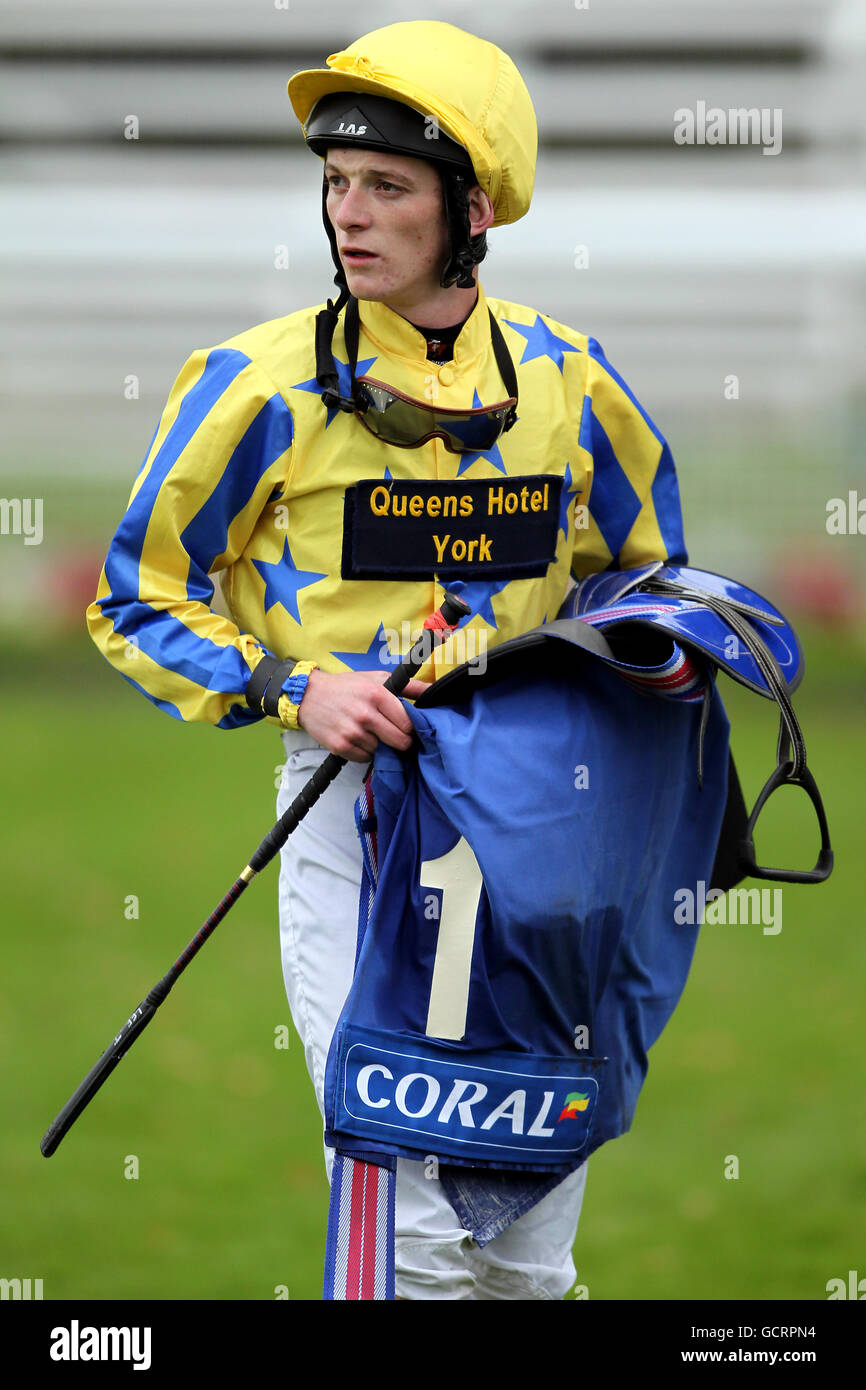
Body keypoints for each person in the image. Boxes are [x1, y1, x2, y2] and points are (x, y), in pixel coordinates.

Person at [86, 20, 688, 1299]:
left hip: (541, 815)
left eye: (386, 186)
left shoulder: (571, 382)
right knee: (402, 1212)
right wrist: (292, 685)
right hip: (351, 811)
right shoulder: (254, 385)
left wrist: (648, 661)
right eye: (334, 181)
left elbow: (650, 581)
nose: (346, 213)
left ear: (470, 209)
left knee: (527, 1237)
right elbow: (137, 596)